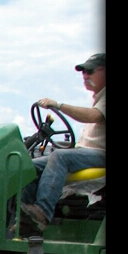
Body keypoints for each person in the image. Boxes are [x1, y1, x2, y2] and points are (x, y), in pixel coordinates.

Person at [21, 53, 105, 231]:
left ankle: (42, 211)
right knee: (28, 166)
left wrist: (58, 106)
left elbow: (92, 116)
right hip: (87, 153)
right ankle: (23, 217)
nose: (85, 76)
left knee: (60, 157)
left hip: (101, 155)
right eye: (83, 72)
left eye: (90, 71)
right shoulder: (99, 98)